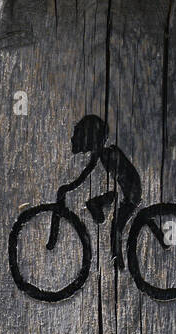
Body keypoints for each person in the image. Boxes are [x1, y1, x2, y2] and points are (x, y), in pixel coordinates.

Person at [56, 114, 142, 270]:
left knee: (117, 229)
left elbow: (85, 176)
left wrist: (67, 188)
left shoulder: (106, 154)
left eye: (78, 134)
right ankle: (118, 261)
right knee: (100, 209)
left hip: (130, 196)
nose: (73, 139)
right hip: (124, 192)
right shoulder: (104, 153)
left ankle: (119, 264)